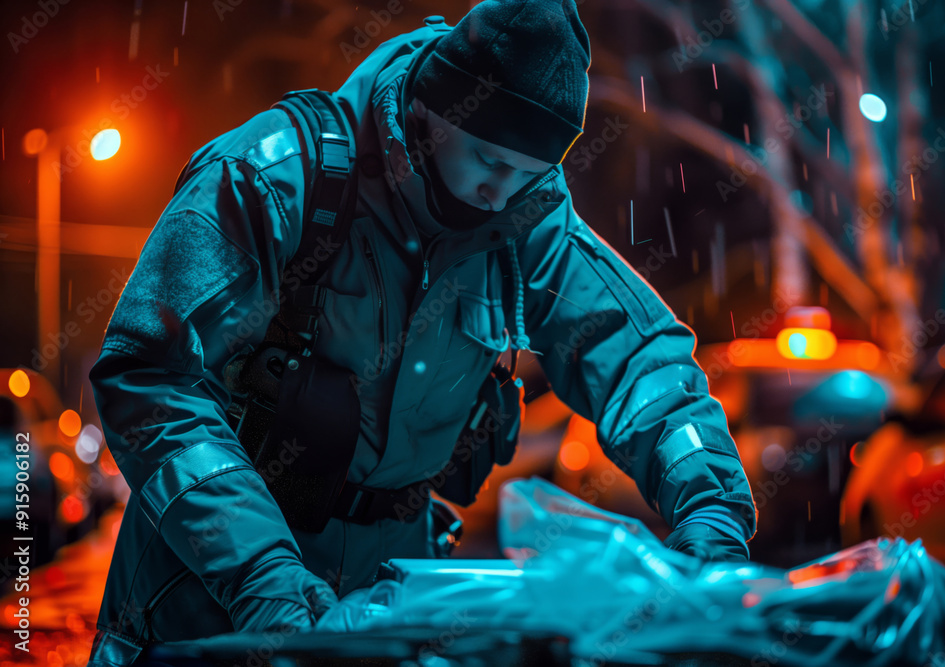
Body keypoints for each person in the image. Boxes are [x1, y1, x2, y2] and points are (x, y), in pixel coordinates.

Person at [86, 0, 757, 663]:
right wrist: (264, 580)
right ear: (433, 112)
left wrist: (712, 511)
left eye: (529, 173)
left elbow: (638, 357)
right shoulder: (275, 174)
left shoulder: (527, 217)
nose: (502, 191)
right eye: (488, 158)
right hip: (204, 605)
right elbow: (149, 376)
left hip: (390, 610)